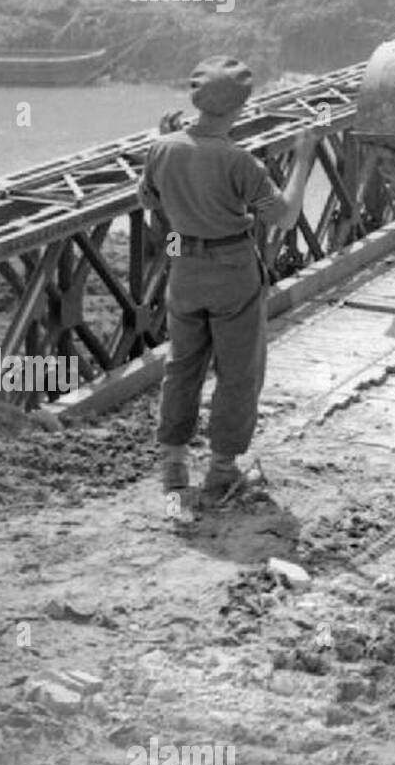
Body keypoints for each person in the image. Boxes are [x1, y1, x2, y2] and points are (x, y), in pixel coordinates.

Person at [138, 57, 323, 512]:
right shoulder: (239, 162)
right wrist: (304, 158)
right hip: (232, 270)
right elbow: (284, 215)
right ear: (242, 105)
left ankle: (174, 467)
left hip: (184, 269)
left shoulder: (163, 147)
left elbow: (148, 198)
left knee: (182, 366)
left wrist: (164, 137)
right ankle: (221, 471)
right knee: (238, 373)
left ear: (196, 98)